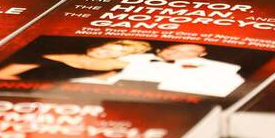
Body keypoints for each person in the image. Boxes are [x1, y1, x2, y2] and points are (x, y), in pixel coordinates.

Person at [87, 42, 244, 98]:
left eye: (189, 51)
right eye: (174, 49)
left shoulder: (218, 70)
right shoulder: (133, 58)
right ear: (160, 50)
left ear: (202, 55)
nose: (178, 53)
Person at [0, 38, 152, 85]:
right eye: (102, 47)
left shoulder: (125, 67)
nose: (99, 50)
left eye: (107, 52)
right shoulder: (50, 56)